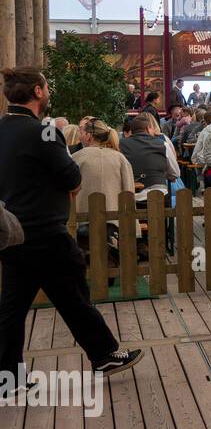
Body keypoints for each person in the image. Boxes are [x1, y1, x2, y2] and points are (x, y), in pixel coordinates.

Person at [0, 68, 141, 390]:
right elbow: (73, 179)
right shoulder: (45, 133)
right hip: (44, 231)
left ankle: (7, 376)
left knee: (13, 306)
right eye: (47, 86)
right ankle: (104, 354)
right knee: (73, 295)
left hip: (10, 231)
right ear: (38, 91)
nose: (48, 91)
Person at [71, 118, 134, 244]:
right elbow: (129, 190)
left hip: (83, 222)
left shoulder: (77, 157)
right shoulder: (120, 158)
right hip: (115, 221)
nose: (80, 136)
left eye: (82, 132)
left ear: (89, 135)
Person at [120, 113, 179, 198]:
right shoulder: (163, 144)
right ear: (148, 128)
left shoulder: (121, 144)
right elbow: (175, 173)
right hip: (159, 194)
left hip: (130, 195)